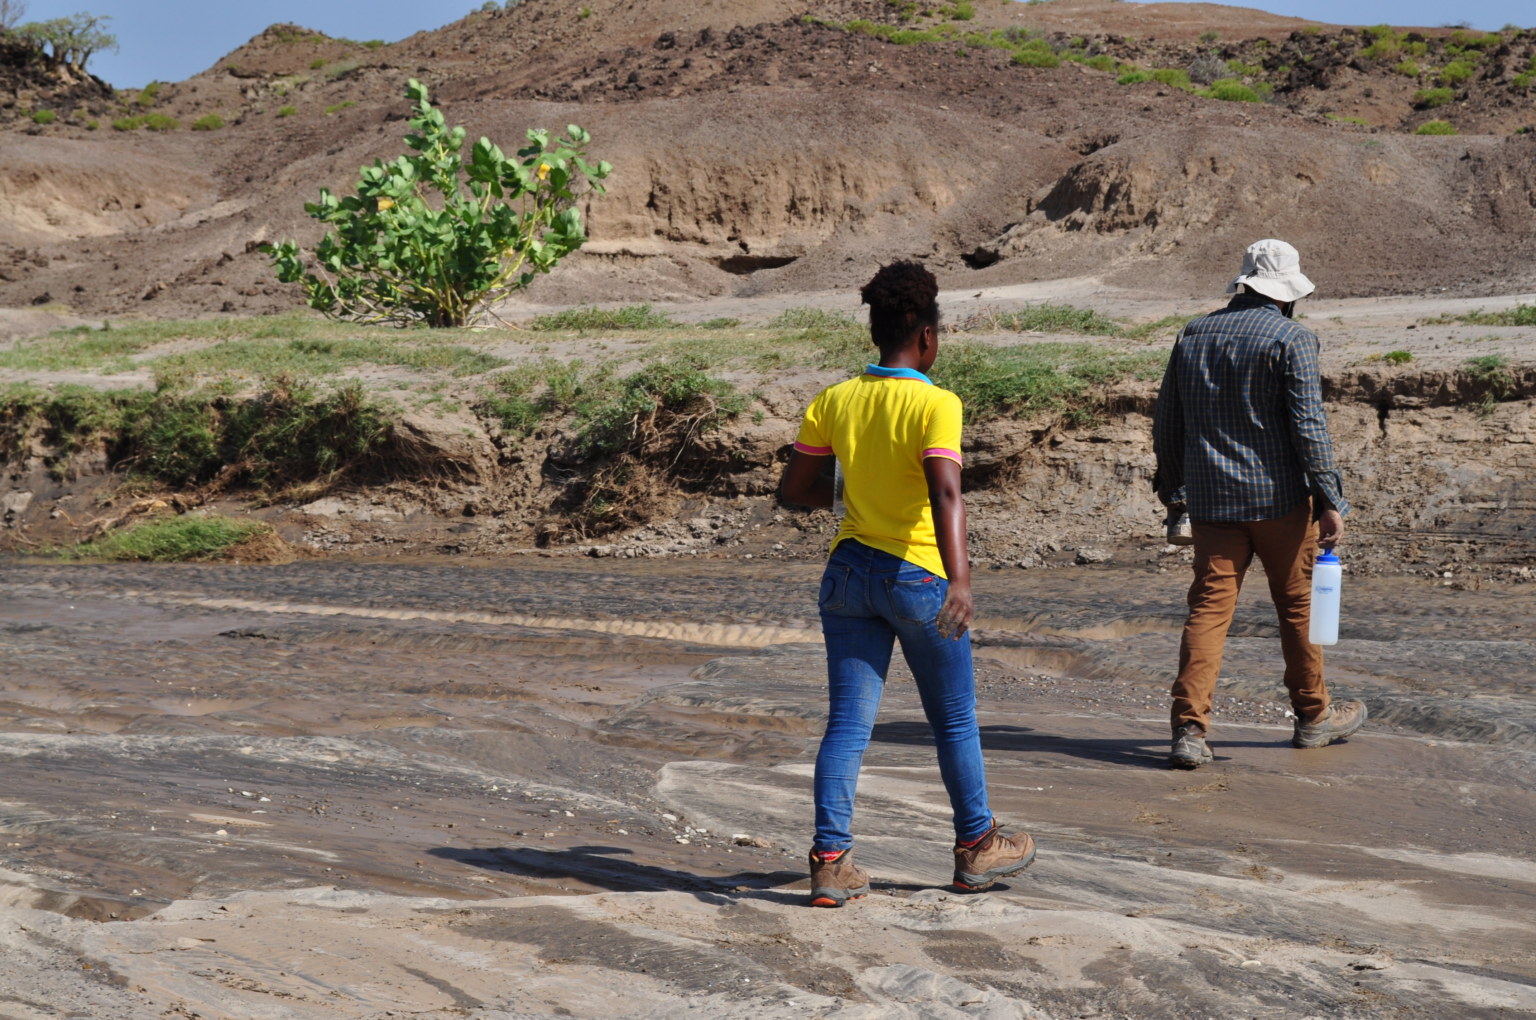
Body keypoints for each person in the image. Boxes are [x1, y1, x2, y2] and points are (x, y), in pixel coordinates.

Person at [779, 260, 1035, 907]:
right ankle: (976, 847)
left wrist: (854, 491)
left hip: (847, 575)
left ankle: (831, 862)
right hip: (917, 577)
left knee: (847, 725)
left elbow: (795, 491)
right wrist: (961, 580)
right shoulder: (935, 402)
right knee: (952, 719)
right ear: (926, 337)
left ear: (876, 333)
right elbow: (947, 491)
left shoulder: (835, 401)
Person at [1152, 238, 1367, 770]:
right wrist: (1330, 498)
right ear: (1285, 293)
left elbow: (1168, 425)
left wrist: (1174, 493)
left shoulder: (1193, 334)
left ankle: (1189, 730)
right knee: (1297, 610)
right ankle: (1313, 717)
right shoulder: (1291, 338)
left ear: (1244, 283)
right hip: (1281, 504)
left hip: (1210, 504)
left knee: (1207, 611)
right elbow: (1308, 428)